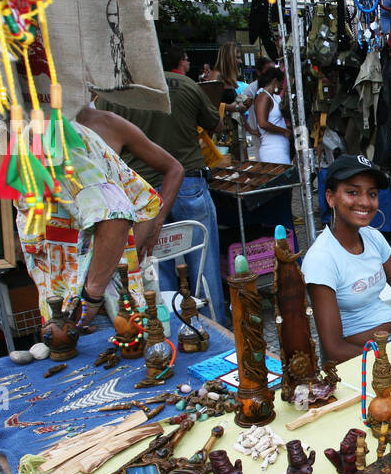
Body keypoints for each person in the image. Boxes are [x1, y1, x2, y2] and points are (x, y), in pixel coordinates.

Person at [98, 45, 229, 326]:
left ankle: (174, 326)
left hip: (139, 191)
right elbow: (215, 124)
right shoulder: (186, 85)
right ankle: (218, 328)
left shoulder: (113, 94)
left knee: (156, 267)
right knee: (204, 265)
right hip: (188, 184)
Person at [17, 107, 183, 328]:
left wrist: (153, 227)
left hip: (97, 298)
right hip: (69, 293)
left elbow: (165, 177)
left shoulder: (78, 130)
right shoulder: (33, 134)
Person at [304, 155, 391, 362]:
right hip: (363, 357)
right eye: (352, 192)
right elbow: (334, 349)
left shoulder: (372, 237)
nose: (365, 202)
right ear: (330, 197)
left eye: (372, 194)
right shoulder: (321, 259)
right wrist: (390, 360)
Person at [251, 67, 292, 165]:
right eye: (281, 83)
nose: (282, 86)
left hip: (280, 149)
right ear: (274, 81)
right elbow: (262, 123)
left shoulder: (274, 97)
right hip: (273, 152)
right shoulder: (264, 96)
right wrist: (284, 131)